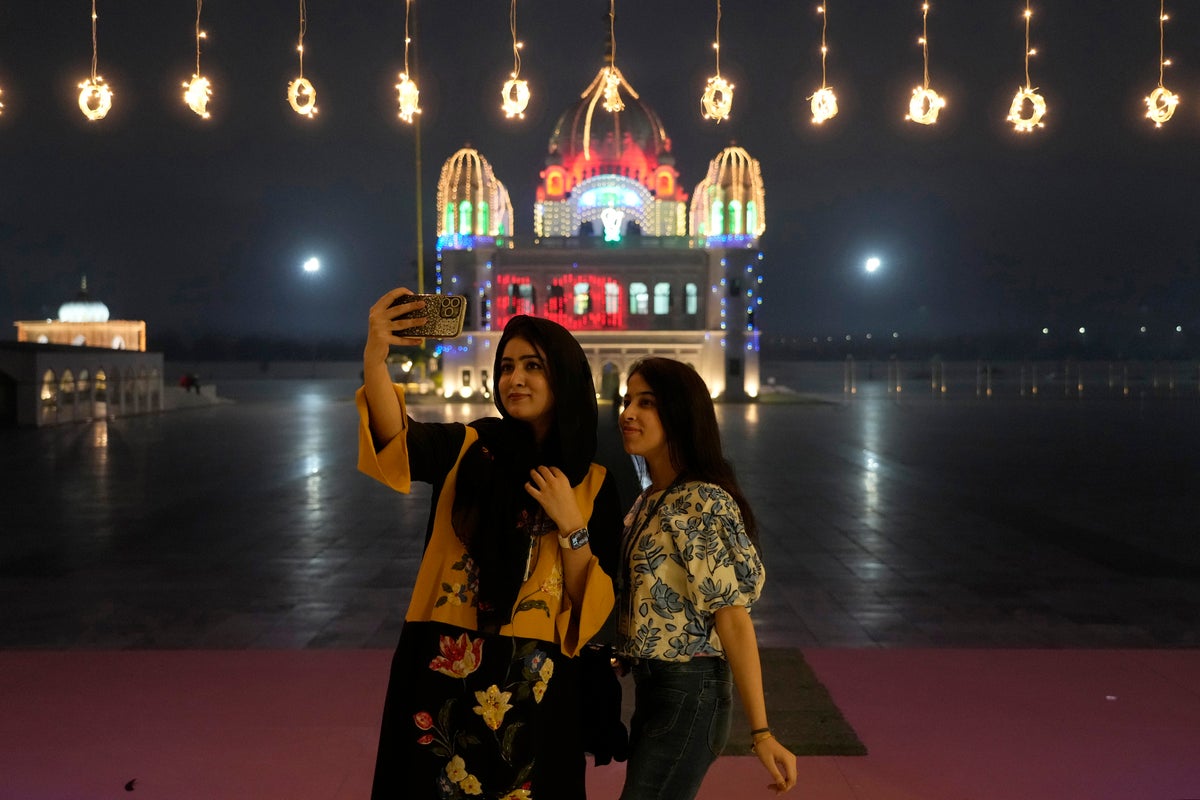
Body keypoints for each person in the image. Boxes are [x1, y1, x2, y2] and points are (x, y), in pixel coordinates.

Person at [358, 288, 623, 799]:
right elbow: (398, 440)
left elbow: (591, 607)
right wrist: (375, 355)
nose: (515, 378)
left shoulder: (593, 483)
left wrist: (572, 524)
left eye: (533, 366)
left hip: (538, 680)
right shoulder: (469, 449)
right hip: (446, 663)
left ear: (565, 377)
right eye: (506, 367)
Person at [614, 357, 798, 799]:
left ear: (681, 414)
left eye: (646, 403)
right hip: (656, 688)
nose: (628, 414)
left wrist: (761, 732)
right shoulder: (650, 500)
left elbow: (732, 618)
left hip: (690, 691)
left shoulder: (701, 502)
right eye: (626, 401)